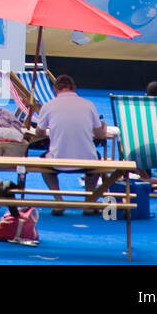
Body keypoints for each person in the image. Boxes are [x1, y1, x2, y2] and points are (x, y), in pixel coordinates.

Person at [32, 74, 107, 213]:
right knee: (96, 159)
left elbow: (39, 133)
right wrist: (104, 126)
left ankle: (59, 200)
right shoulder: (88, 105)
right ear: (74, 88)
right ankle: (89, 202)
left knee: (43, 164)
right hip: (87, 161)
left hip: (57, 160)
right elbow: (99, 135)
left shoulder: (48, 106)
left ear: (55, 89)